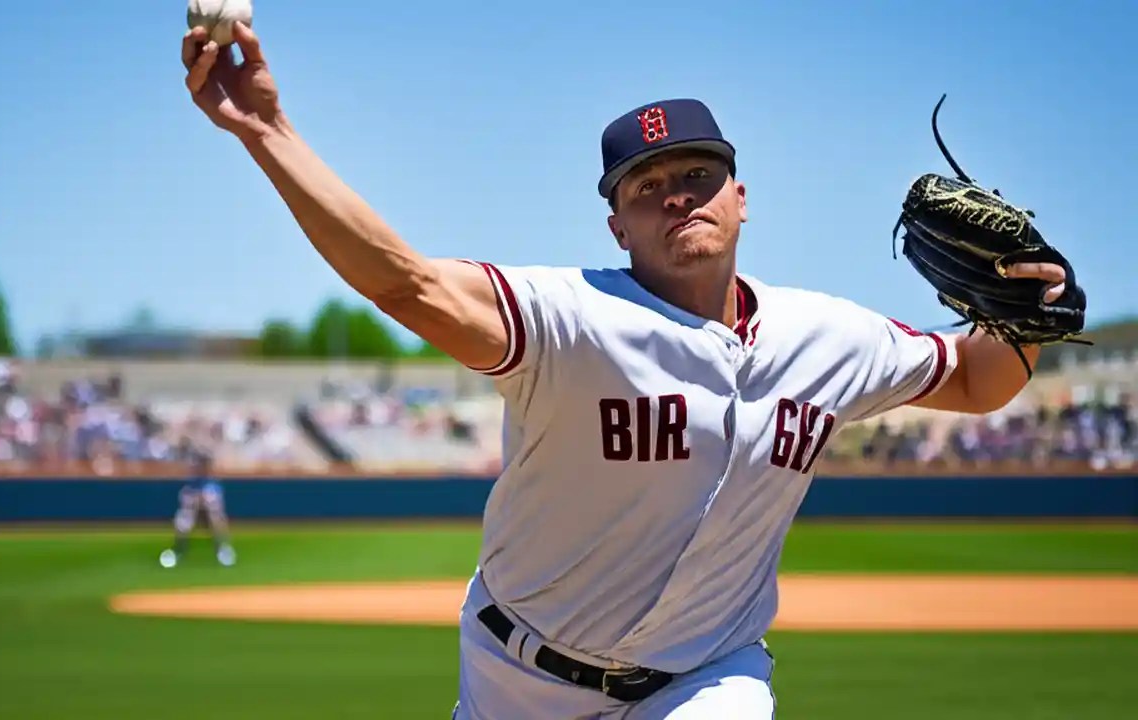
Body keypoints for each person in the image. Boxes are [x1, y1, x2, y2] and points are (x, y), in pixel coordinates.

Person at [180, 22, 1073, 718]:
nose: (676, 193)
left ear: (741, 197)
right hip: (515, 679)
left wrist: (1031, 313)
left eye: (697, 173)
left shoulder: (827, 335)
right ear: (617, 226)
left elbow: (971, 378)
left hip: (705, 676)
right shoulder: (571, 318)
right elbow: (406, 285)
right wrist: (265, 128)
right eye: (646, 186)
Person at [159, 451, 236, 568]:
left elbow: (216, 505)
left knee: (217, 520)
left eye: (204, 465)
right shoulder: (191, 483)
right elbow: (185, 501)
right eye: (199, 465)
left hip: (209, 512)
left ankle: (222, 549)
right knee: (182, 522)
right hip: (192, 510)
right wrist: (195, 500)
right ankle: (179, 549)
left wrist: (204, 501)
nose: (201, 468)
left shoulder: (213, 484)